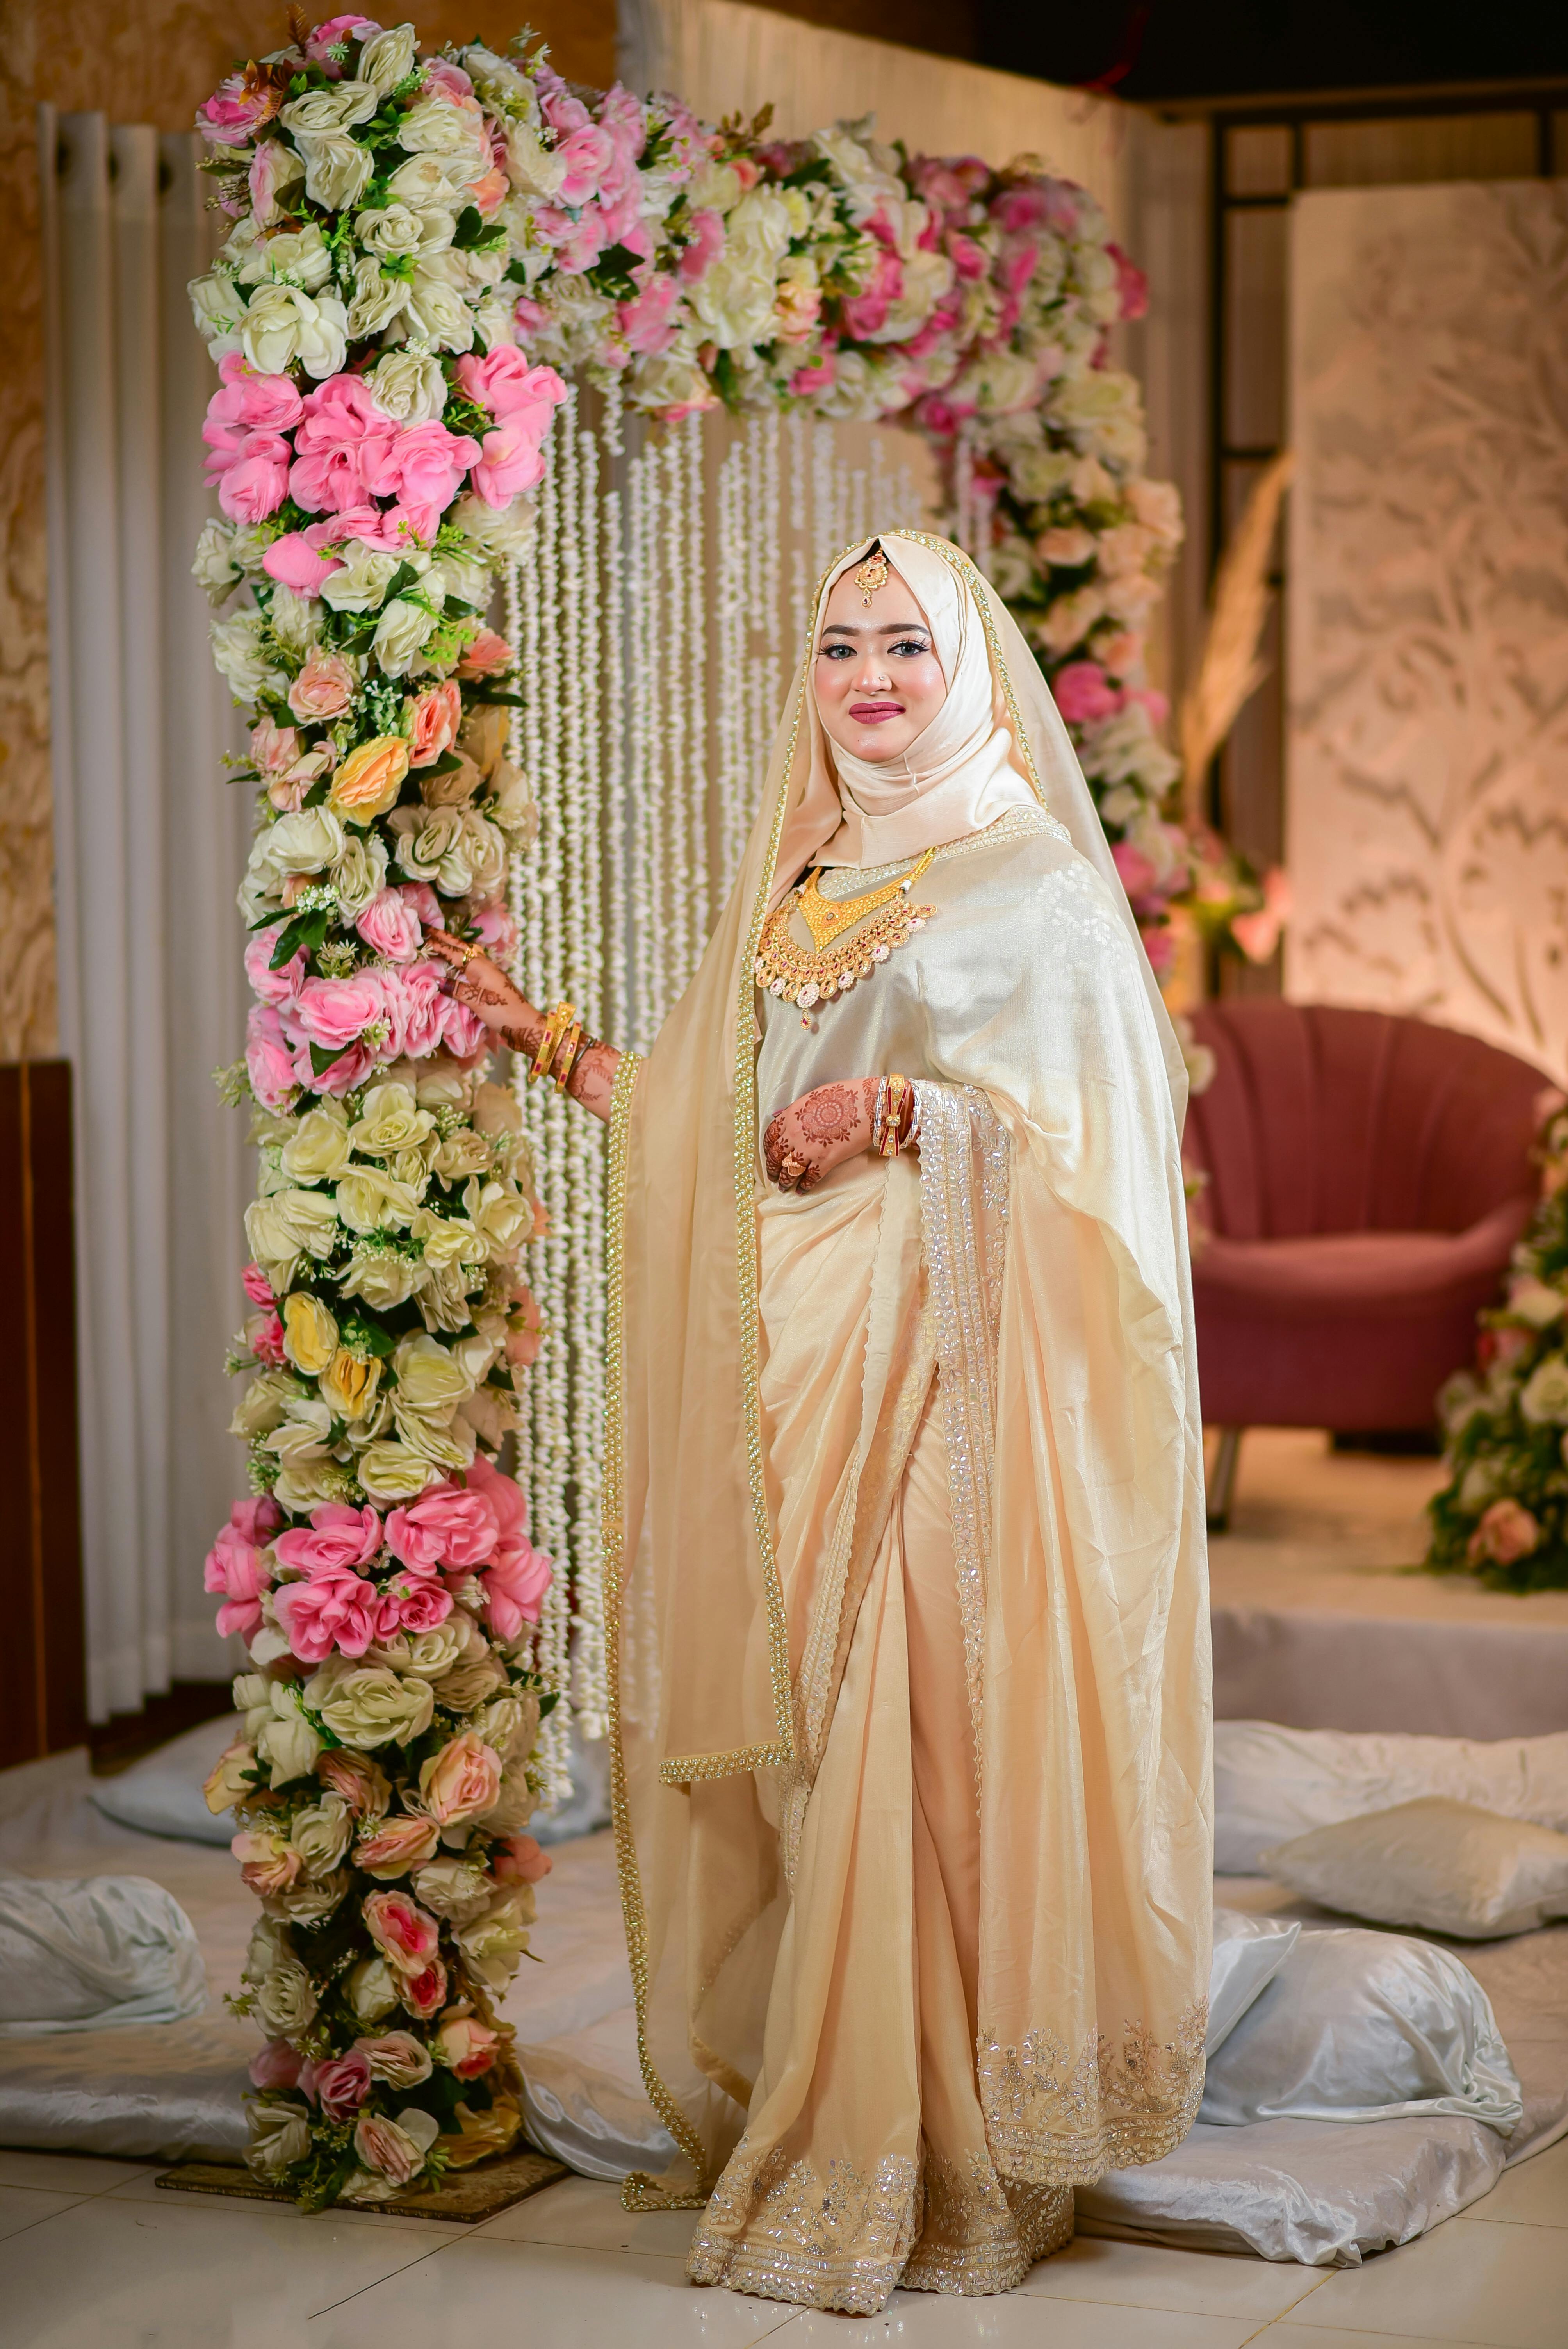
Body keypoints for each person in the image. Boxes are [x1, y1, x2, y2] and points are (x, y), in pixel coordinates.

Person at [429, 528, 1212, 2315]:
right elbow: (717, 1128)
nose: (868, 678)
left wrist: (916, 1119)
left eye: (904, 646)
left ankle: (934, 2147)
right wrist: (548, 1043)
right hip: (787, 1374)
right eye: (841, 644)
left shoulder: (1034, 886)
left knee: (905, 1726)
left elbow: (1102, 1178)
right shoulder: (797, 872)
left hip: (947, 1387)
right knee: (798, 1745)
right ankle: (835, 2095)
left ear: (968, 668)